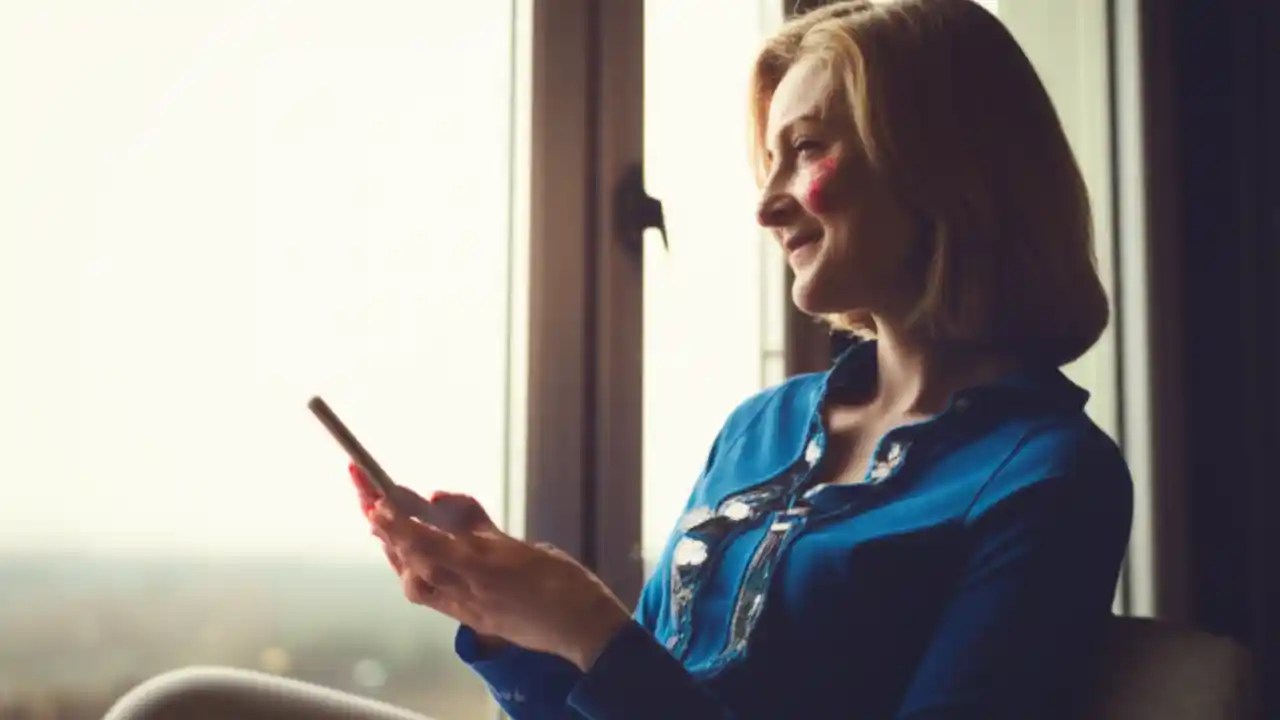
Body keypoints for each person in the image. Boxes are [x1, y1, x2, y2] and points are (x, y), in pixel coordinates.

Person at [103, 0, 1132, 718]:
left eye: (808, 150)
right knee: (180, 708)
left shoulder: (1047, 478)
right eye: (764, 160)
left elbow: (622, 668)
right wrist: (509, 622)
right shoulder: (761, 429)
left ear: (942, 160)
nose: (765, 202)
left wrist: (591, 631)